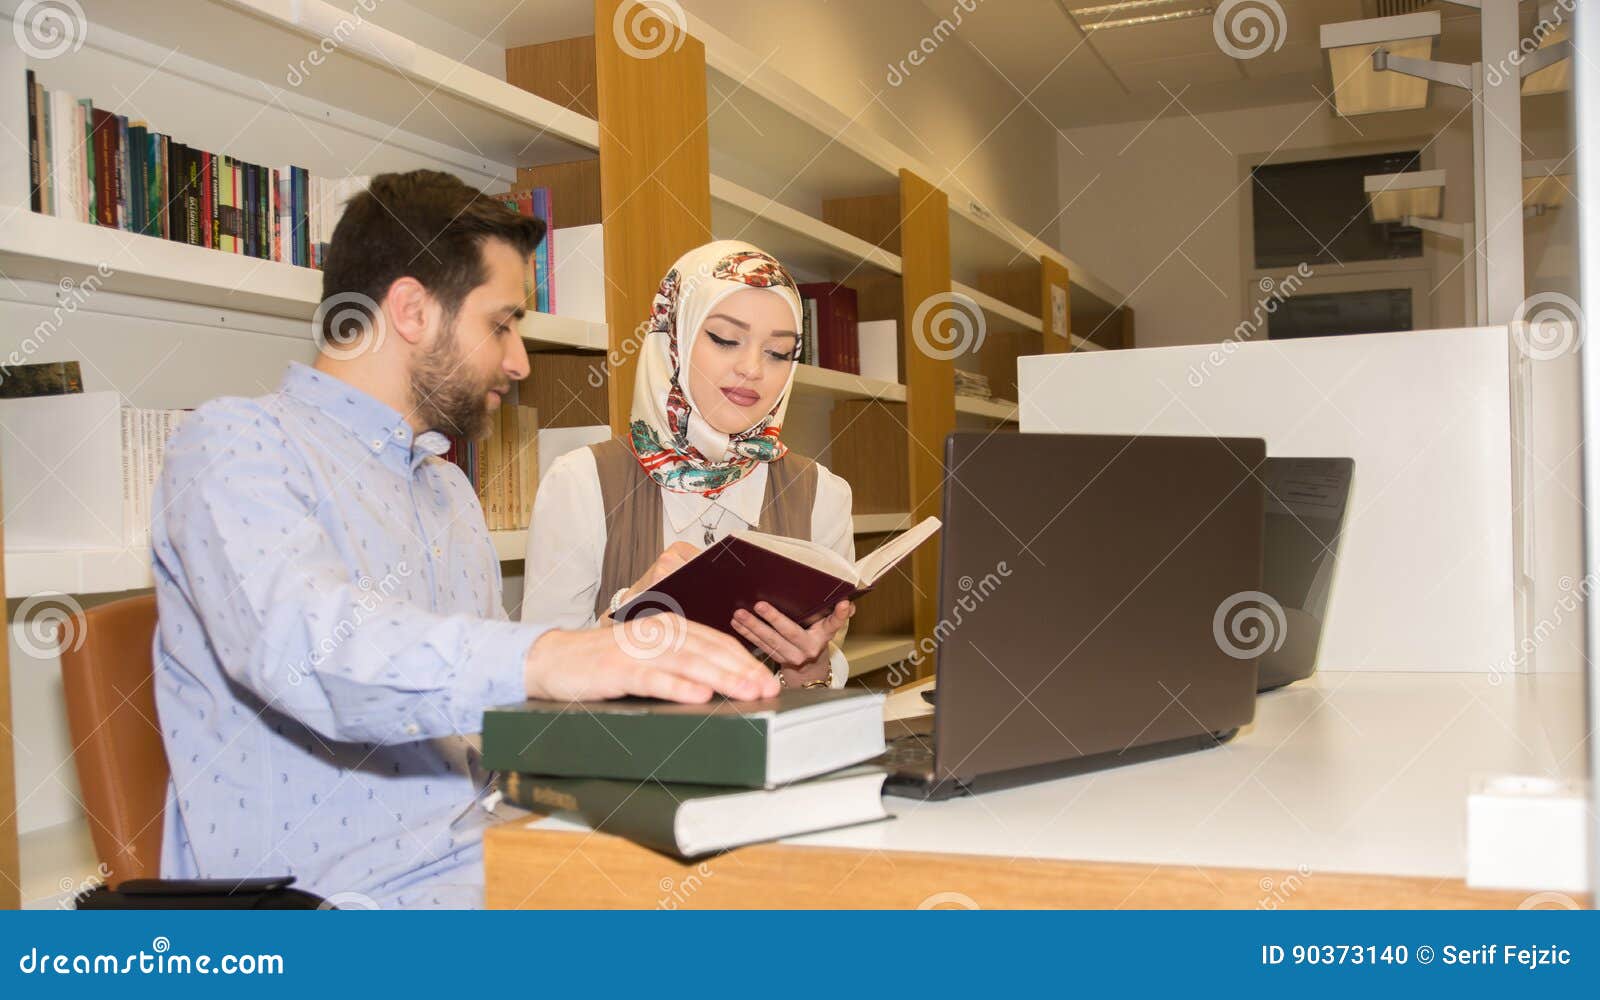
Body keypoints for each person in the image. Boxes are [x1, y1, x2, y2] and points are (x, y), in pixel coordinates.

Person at [151, 172, 776, 910]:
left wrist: (630, 633)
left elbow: (484, 703)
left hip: (491, 852)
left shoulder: (443, 486)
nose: (519, 362)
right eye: (502, 323)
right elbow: (307, 652)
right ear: (412, 309)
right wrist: (556, 657)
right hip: (340, 905)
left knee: (772, 876)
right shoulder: (234, 443)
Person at [524, 240, 855, 689]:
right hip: (624, 758)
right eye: (724, 339)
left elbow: (814, 693)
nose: (752, 368)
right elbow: (537, 685)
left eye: (778, 353)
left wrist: (809, 665)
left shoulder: (822, 495)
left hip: (771, 756)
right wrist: (628, 618)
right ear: (673, 338)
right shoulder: (581, 482)